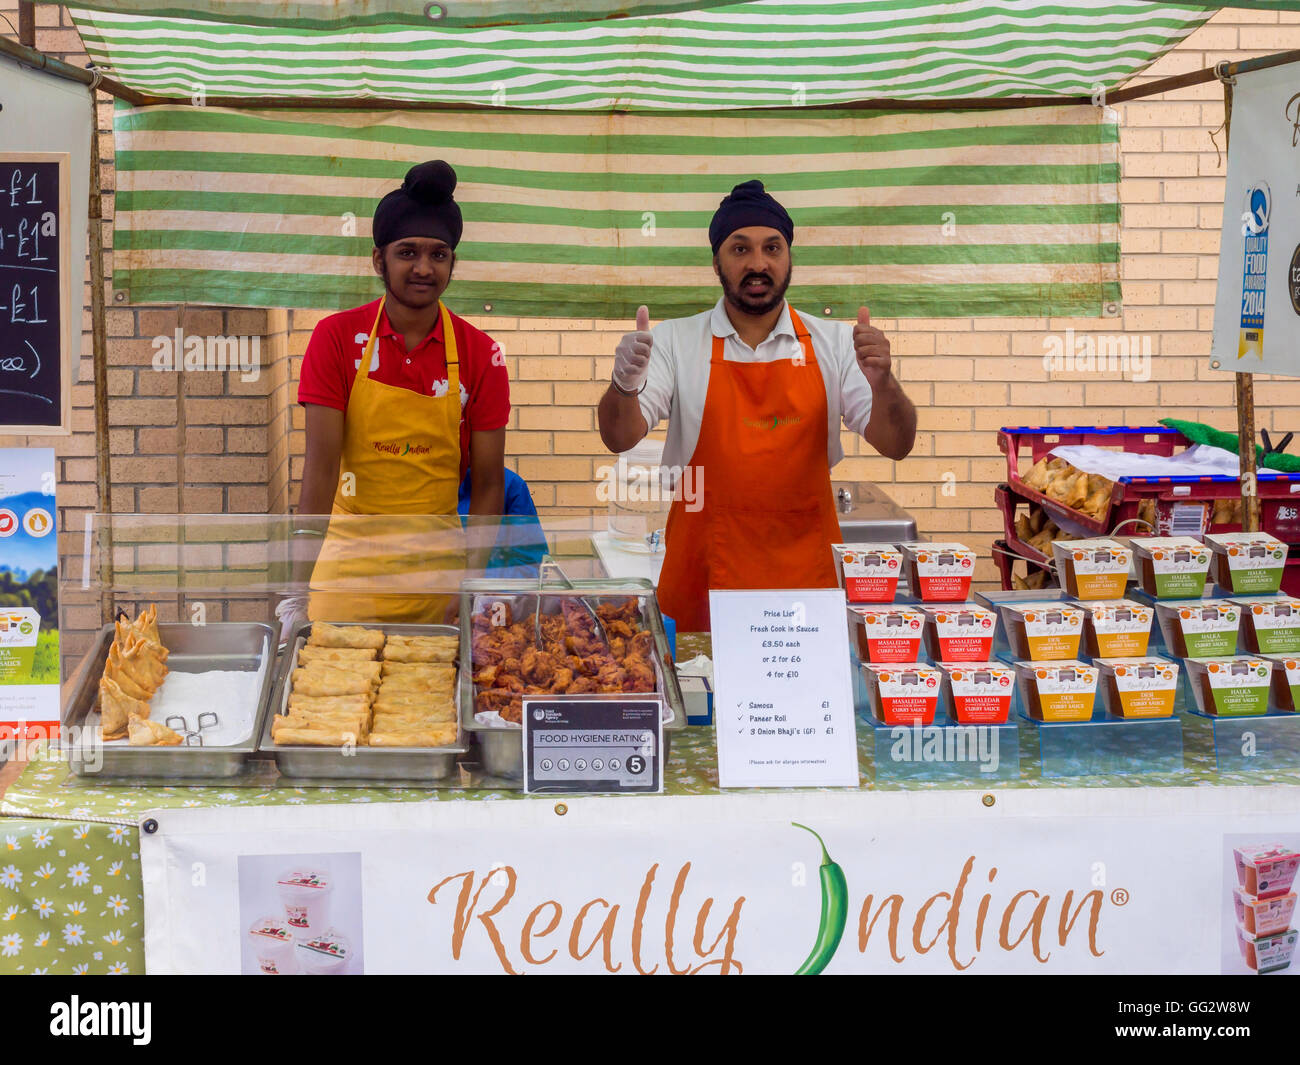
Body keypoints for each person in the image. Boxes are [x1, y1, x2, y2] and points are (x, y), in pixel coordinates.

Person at [597, 179, 916, 631]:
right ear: (716, 262)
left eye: (772, 247)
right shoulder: (674, 341)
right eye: (740, 249)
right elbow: (618, 436)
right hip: (701, 576)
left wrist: (884, 384)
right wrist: (623, 385)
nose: (758, 263)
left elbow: (897, 443)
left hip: (804, 586)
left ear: (789, 257)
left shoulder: (836, 343)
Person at [290, 159, 509, 624]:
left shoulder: (480, 353)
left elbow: (490, 484)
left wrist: (469, 583)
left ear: (453, 262)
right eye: (407, 252)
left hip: (439, 581)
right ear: (378, 259)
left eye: (439, 254)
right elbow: (321, 468)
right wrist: (294, 590)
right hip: (346, 573)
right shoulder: (335, 338)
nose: (424, 268)